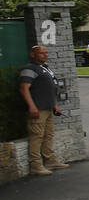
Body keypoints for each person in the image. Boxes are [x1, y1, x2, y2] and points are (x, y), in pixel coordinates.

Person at [17, 44, 66, 176]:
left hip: (48, 108)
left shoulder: (45, 68)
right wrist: (32, 106)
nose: (45, 55)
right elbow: (24, 88)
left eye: (46, 52)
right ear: (33, 55)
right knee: (36, 136)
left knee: (48, 135)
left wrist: (55, 105)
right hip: (38, 109)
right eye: (41, 53)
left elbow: (50, 89)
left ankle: (50, 160)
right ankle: (36, 165)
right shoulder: (29, 68)